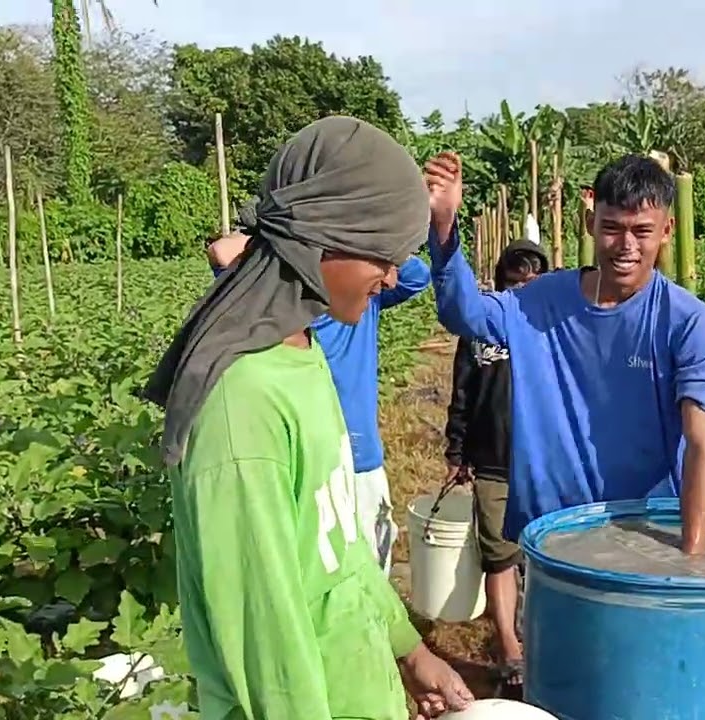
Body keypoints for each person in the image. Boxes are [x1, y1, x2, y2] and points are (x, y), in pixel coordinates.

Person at [142, 117, 472, 720]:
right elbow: (265, 635)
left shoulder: (303, 351)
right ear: (322, 241)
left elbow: (340, 547)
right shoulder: (242, 404)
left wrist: (407, 649)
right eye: (383, 255)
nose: (393, 277)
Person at [422, 152, 705, 554]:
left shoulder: (688, 323)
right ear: (589, 224)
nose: (626, 246)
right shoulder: (538, 303)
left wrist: (691, 557)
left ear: (667, 230)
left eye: (642, 231)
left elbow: (701, 444)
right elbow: (464, 313)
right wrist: (444, 228)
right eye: (612, 228)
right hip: (553, 537)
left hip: (646, 538)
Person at [207, 212, 432, 573]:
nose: (386, 279)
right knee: (323, 567)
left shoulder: (364, 298)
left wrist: (366, 235)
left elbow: (417, 276)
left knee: (372, 566)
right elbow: (222, 250)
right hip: (311, 462)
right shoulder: (280, 306)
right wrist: (295, 242)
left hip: (360, 457)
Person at [442, 238, 548, 691]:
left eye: (532, 282)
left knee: (546, 557)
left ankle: (545, 641)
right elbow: (462, 394)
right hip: (491, 461)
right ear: (501, 285)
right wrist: (456, 452)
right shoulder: (479, 331)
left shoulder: (553, 329)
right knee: (499, 556)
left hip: (544, 464)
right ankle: (508, 644)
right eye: (514, 281)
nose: (522, 289)